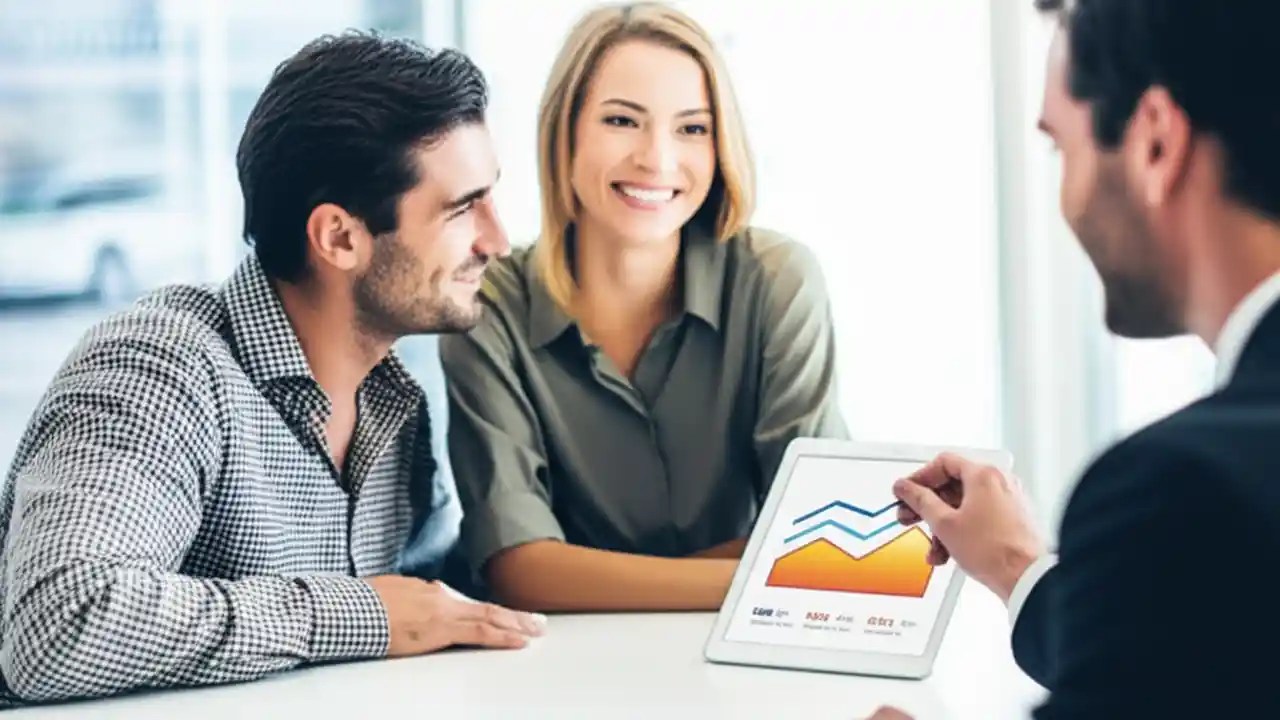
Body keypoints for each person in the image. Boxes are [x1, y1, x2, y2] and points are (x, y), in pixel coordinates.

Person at [0, 32, 544, 707]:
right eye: (464, 208)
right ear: (339, 238)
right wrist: (358, 616)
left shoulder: (392, 403)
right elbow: (59, 624)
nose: (498, 238)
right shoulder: (161, 370)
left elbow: (427, 606)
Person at [871, 0, 1280, 717]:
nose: (1067, 197)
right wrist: (1017, 567)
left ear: (1155, 142)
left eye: (1063, 148)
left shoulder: (1180, 491)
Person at [439, 2, 847, 612]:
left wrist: (582, 575)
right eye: (623, 120)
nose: (657, 159)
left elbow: (822, 536)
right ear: (565, 131)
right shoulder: (491, 304)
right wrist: (760, 574)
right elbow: (519, 570)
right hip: (559, 676)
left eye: (692, 128)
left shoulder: (777, 283)